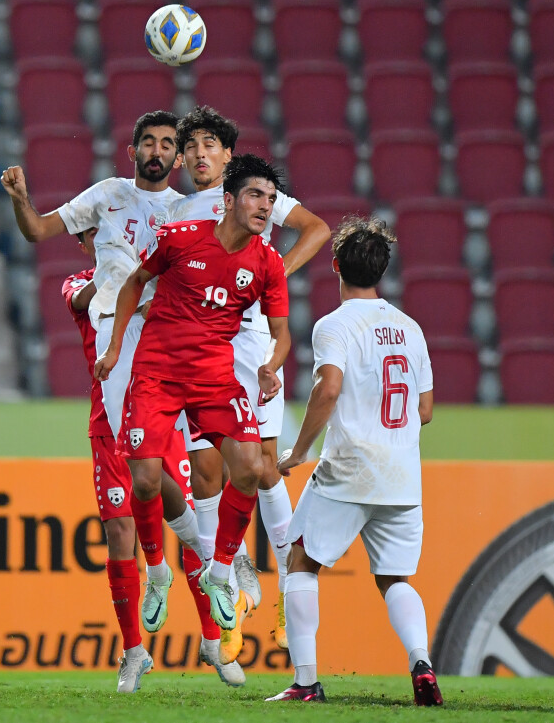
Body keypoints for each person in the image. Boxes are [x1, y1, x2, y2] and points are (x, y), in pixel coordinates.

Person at [2, 111, 233, 691]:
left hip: (163, 365)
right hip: (115, 375)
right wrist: (21, 199)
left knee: (162, 480)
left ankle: (211, 630)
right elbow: (37, 233)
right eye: (147, 142)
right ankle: (140, 641)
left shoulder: (187, 214)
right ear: (131, 151)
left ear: (178, 159)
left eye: (166, 144)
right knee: (129, 509)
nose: (156, 151)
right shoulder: (102, 210)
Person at [94, 154, 292, 645]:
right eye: (254, 195)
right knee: (144, 480)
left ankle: (220, 571)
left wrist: (270, 366)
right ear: (228, 201)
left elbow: (284, 333)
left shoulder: (267, 263)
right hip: (156, 372)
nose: (264, 206)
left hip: (213, 379)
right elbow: (136, 282)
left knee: (248, 467)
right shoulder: (181, 240)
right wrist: (117, 345)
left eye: (270, 199)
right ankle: (158, 574)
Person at [170, 106, 331, 662]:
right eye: (189, 146)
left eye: (209, 144)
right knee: (206, 471)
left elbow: (318, 228)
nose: (198, 154)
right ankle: (230, 596)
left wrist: (270, 275)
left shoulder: (250, 194)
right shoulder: (176, 211)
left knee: (262, 466)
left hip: (253, 346)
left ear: (227, 155)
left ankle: (288, 587)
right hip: (198, 352)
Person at [268, 216, 442, 706]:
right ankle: (422, 665)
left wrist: (298, 452)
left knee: (300, 561)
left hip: (347, 469)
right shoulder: (410, 328)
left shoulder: (334, 325)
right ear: (382, 270)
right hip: (402, 476)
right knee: (394, 579)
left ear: (335, 265)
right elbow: (424, 411)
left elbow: (329, 389)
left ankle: (305, 684)